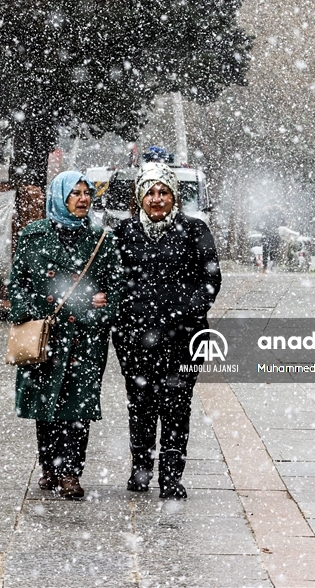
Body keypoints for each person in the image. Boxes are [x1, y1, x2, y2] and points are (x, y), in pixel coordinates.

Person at [8, 171, 123, 500]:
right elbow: (18, 286)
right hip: (46, 336)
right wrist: (42, 310)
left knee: (78, 407)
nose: (83, 198)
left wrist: (92, 313)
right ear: (59, 197)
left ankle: (71, 472)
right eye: (75, 193)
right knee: (46, 406)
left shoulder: (102, 239)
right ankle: (49, 467)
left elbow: (115, 292)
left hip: (85, 339)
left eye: (87, 192)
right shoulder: (33, 235)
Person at [112, 162, 221, 499]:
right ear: (140, 197)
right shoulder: (123, 233)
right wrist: (129, 316)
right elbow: (115, 283)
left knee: (176, 404)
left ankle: (172, 476)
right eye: (150, 192)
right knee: (140, 402)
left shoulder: (194, 230)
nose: (156, 199)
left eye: (163, 192)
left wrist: (180, 312)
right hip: (135, 338)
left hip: (183, 338)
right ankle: (141, 468)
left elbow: (210, 280)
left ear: (174, 196)